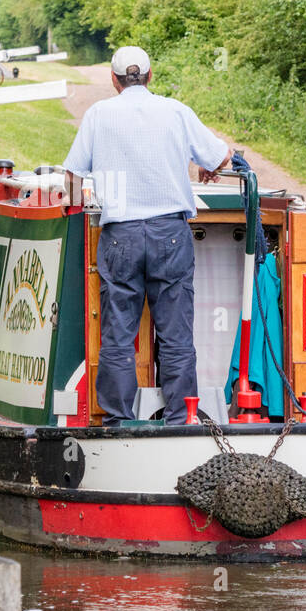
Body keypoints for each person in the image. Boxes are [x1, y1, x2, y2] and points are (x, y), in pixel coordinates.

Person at [63, 46, 233, 425]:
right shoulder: (175, 111)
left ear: (114, 80)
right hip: (170, 234)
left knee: (118, 336)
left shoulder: (98, 115)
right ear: (150, 76)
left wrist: (84, 204)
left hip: (120, 235)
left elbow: (72, 177)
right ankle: (179, 420)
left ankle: (118, 421)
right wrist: (209, 168)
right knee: (175, 334)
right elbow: (222, 158)